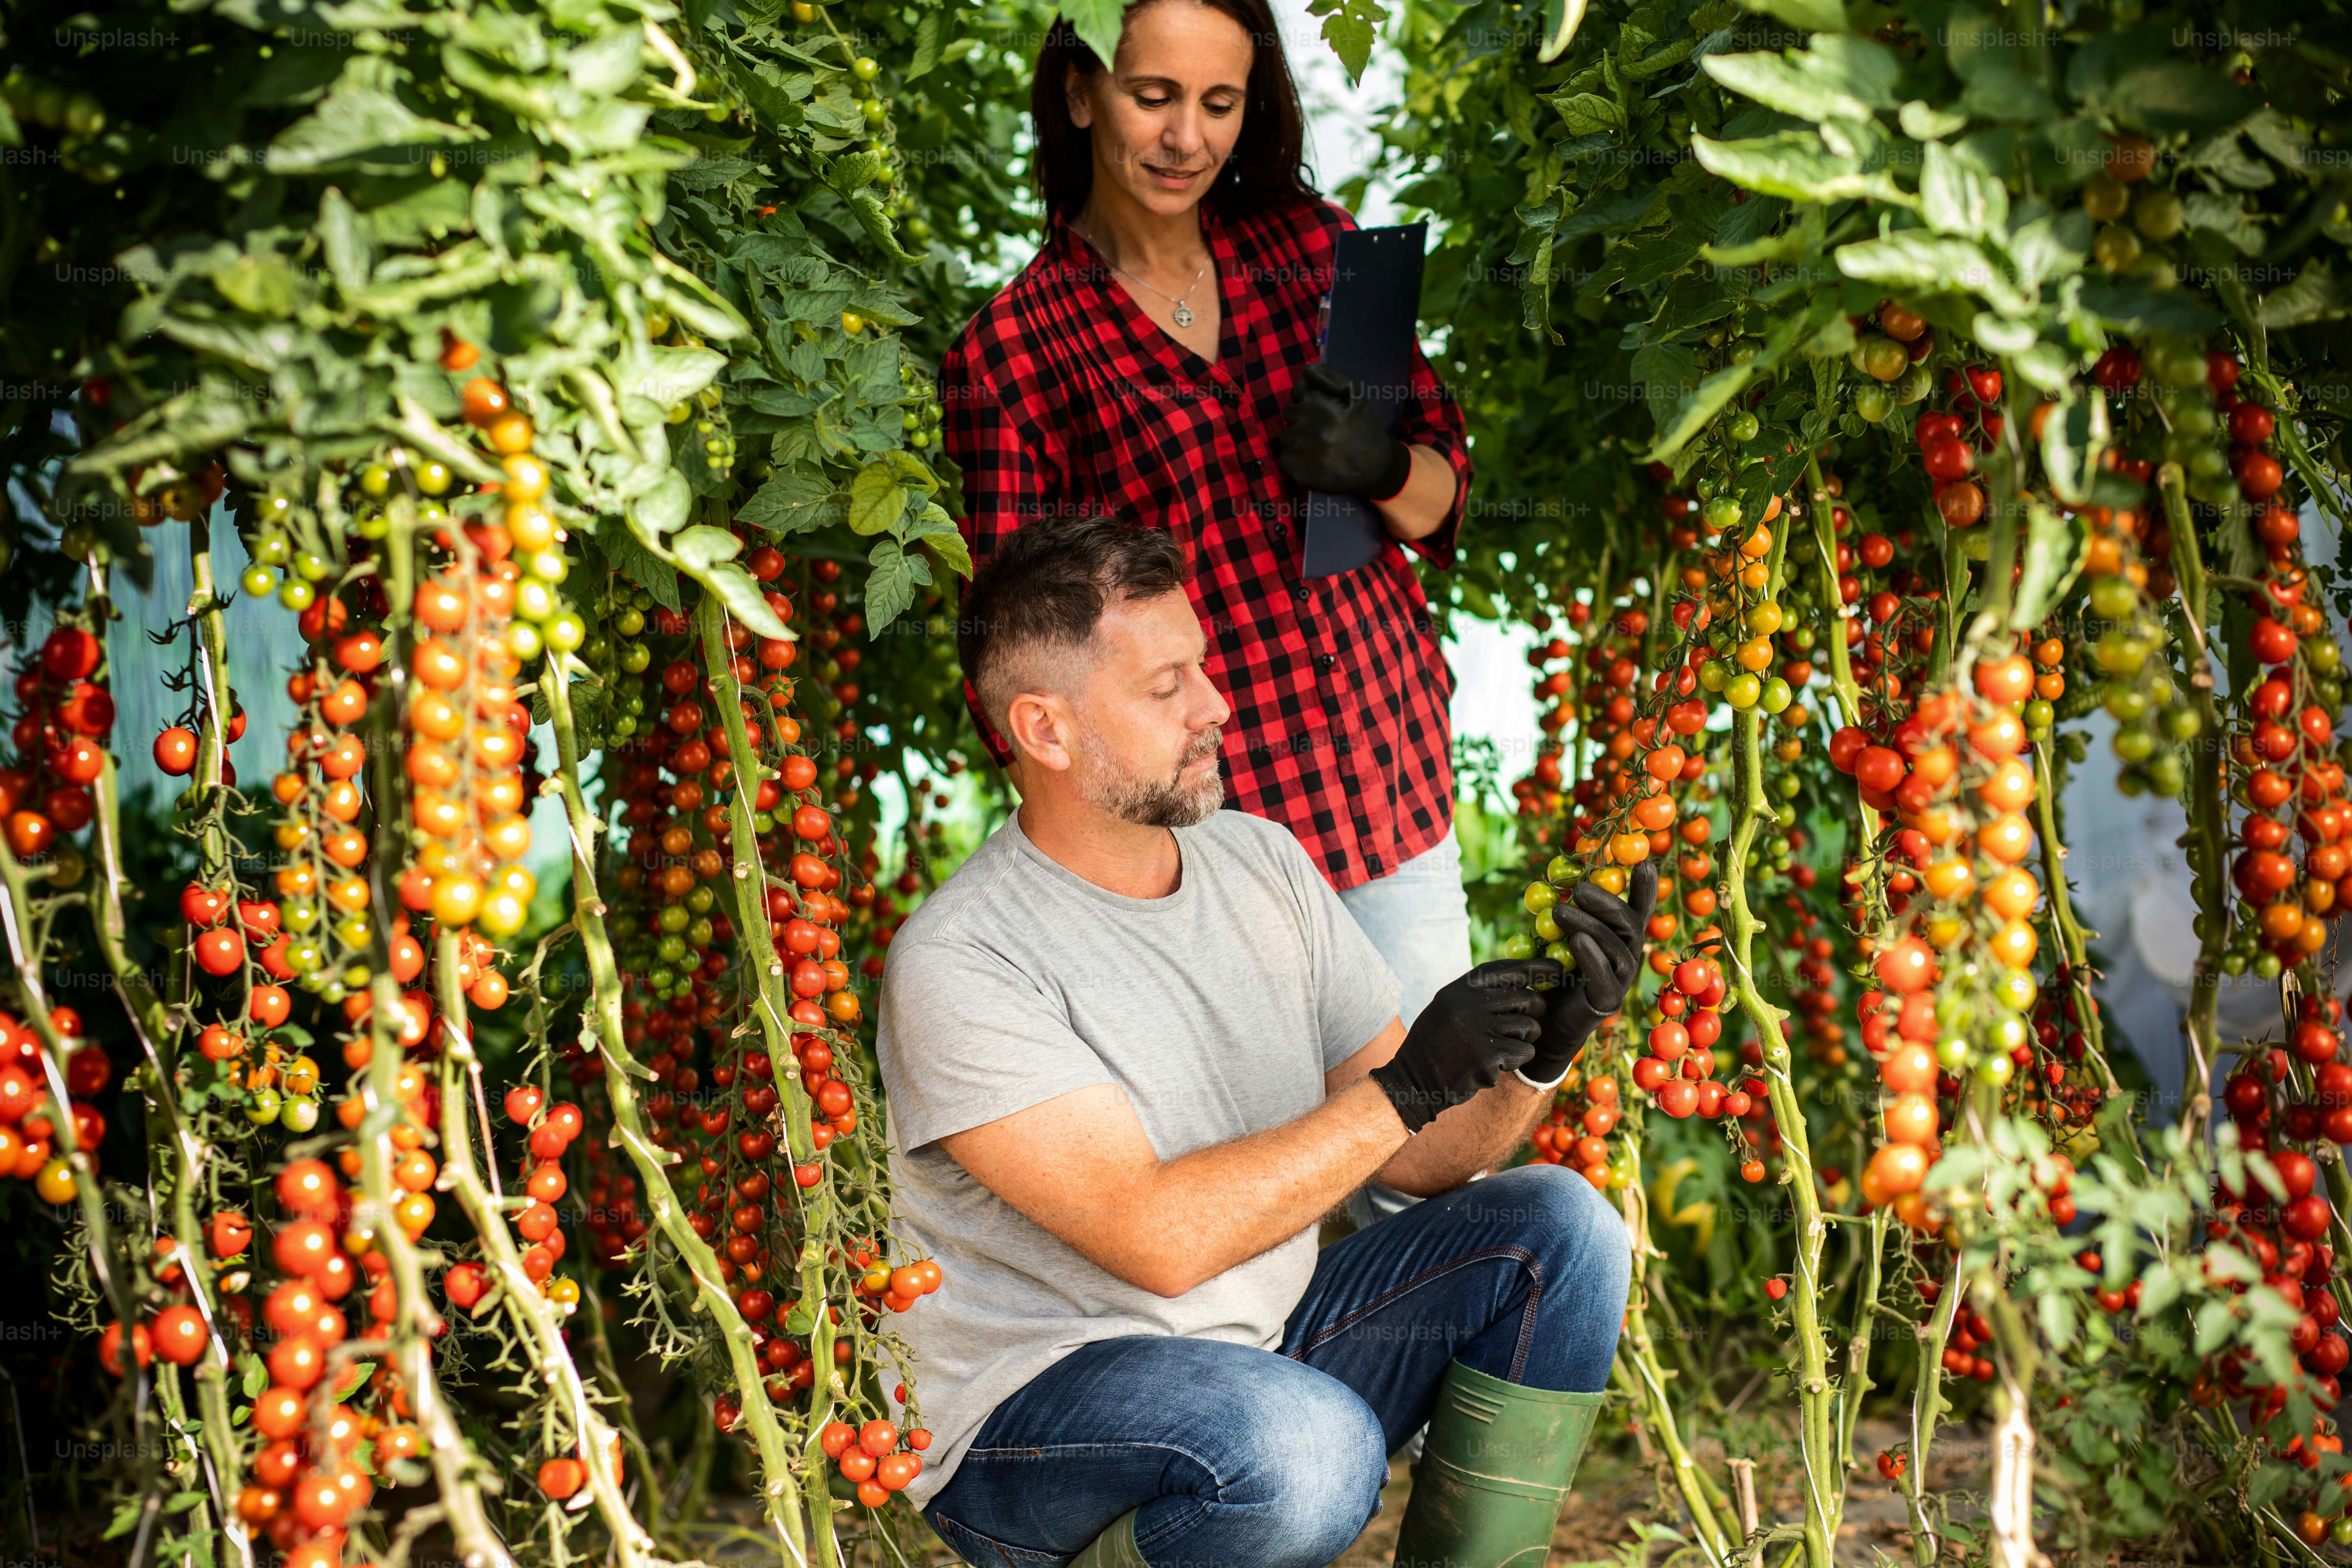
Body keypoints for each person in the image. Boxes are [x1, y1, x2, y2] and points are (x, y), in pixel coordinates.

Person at [875, 517, 1649, 1568]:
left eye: (1203, 667)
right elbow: (1158, 1241)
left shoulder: (1260, 862)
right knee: (1305, 1448)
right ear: (1045, 731)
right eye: (1167, 688)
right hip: (1031, 1421)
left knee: (1562, 1229)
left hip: (1258, 1351)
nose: (1216, 706)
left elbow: (1425, 1158)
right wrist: (1407, 1084)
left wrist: (1543, 1052)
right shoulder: (965, 959)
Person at [938, 0, 1479, 1239]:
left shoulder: (1312, 254)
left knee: (1448, 1174)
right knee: (1278, 1224)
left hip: (1388, 782)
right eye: (1153, 97)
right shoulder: (1016, 352)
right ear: (1083, 96)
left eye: (1220, 104)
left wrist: (1377, 467)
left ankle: (1467, 1436)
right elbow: (1023, 668)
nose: (1187, 136)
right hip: (1218, 851)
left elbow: (1446, 506)